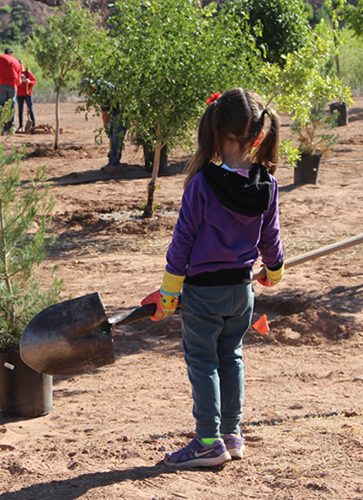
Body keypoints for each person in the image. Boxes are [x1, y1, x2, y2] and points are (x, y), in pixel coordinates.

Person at [142, 88, 283, 467]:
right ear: (258, 137)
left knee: (203, 362)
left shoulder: (202, 184)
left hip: (203, 293)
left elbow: (182, 243)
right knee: (231, 357)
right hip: (241, 290)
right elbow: (271, 238)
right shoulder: (267, 184)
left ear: (215, 132)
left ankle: (207, 441)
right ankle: (231, 434)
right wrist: (274, 269)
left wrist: (169, 293)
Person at [0, 48, 22, 135]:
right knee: (11, 107)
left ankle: (0, 128)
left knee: (1, 106)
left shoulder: (1, 57)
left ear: (5, 53)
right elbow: (19, 81)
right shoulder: (17, 62)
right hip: (13, 85)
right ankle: (11, 128)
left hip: (1, 84)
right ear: (12, 54)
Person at [16, 65, 36, 133]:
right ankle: (21, 125)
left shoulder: (28, 73)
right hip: (19, 94)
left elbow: (34, 81)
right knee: (20, 110)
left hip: (28, 93)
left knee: (30, 108)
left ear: (23, 65)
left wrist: (30, 82)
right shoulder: (17, 73)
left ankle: (33, 125)